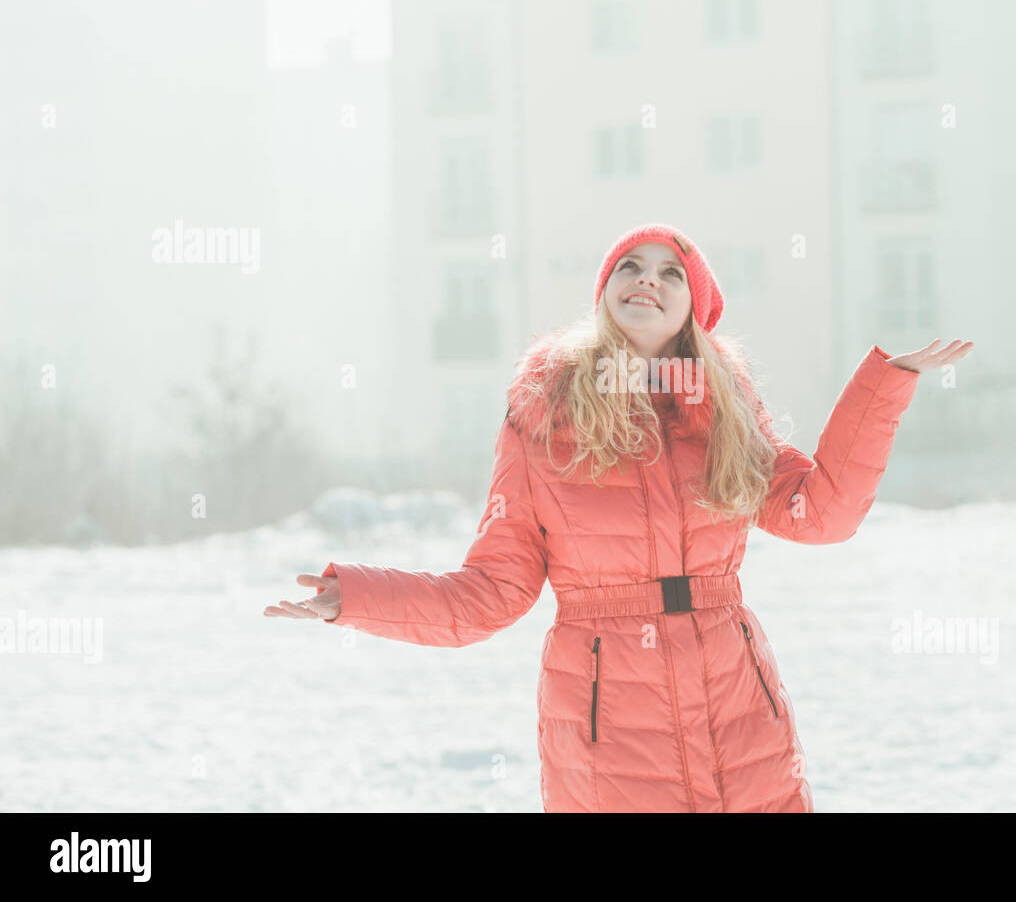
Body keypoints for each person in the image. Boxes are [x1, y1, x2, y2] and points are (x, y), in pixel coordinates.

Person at [264, 222, 974, 812]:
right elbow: (489, 594)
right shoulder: (546, 413)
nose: (648, 279)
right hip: (611, 736)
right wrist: (352, 598)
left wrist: (886, 385)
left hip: (740, 718)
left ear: (693, 307)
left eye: (672, 273)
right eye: (630, 266)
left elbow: (821, 513)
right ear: (604, 296)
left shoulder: (725, 412)